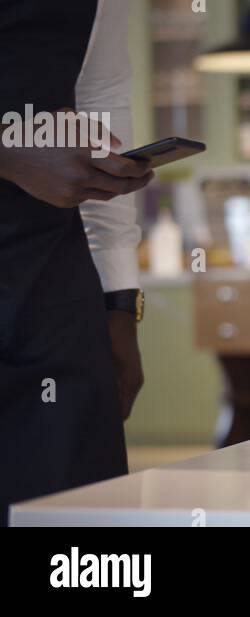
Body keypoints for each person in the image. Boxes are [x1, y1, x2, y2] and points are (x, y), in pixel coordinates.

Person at [0, 0, 151, 526]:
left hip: (52, 284)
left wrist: (119, 297)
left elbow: (101, 93)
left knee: (82, 529)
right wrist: (9, 152)